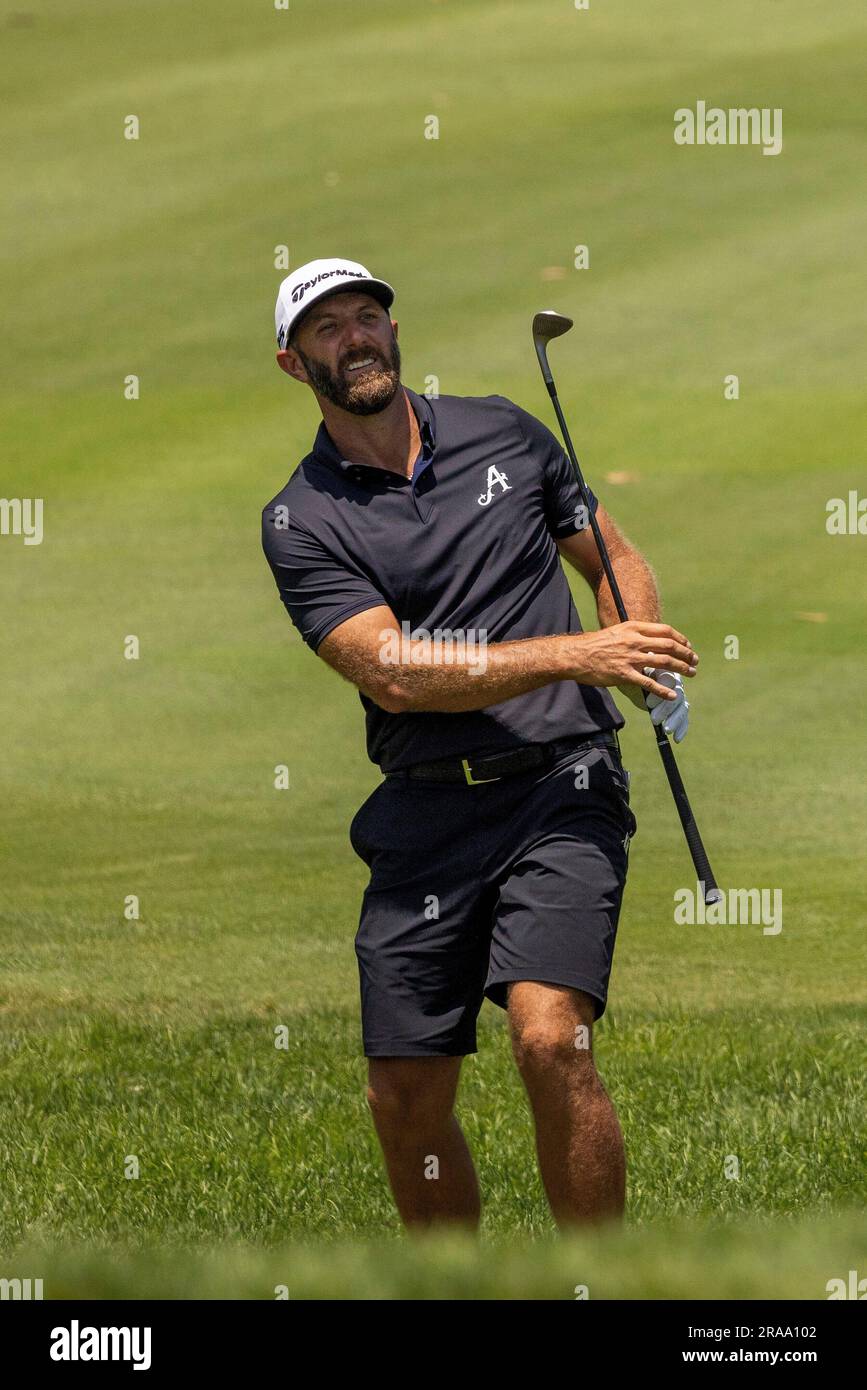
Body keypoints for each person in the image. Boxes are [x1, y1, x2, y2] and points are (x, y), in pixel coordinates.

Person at [262, 257, 698, 1230]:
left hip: (561, 786)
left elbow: (612, 553)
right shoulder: (303, 518)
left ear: (395, 329)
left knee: (551, 1041)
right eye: (328, 328)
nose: (357, 337)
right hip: (425, 811)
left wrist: (644, 646)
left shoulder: (503, 427)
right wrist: (584, 651)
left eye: (369, 314)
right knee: (403, 1099)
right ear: (295, 365)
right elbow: (397, 672)